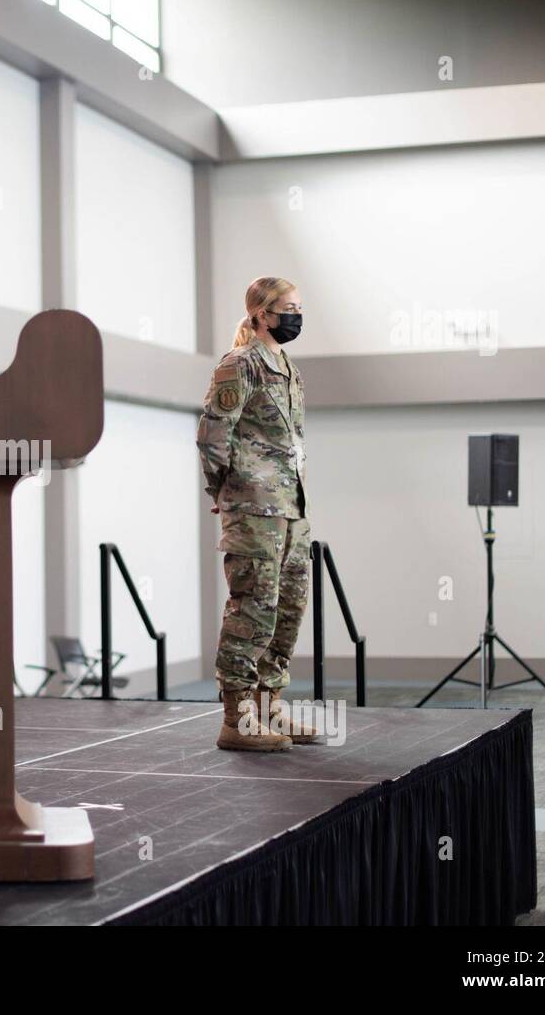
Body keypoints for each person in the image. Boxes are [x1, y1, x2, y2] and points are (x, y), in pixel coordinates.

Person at [196, 276, 320, 751]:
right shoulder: (239, 365)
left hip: (291, 510)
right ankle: (237, 719)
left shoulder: (286, 366)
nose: (296, 316)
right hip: (253, 510)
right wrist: (223, 490)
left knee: (287, 610)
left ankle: (270, 707)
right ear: (261, 313)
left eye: (299, 306)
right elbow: (212, 435)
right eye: (288, 307)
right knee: (253, 609)